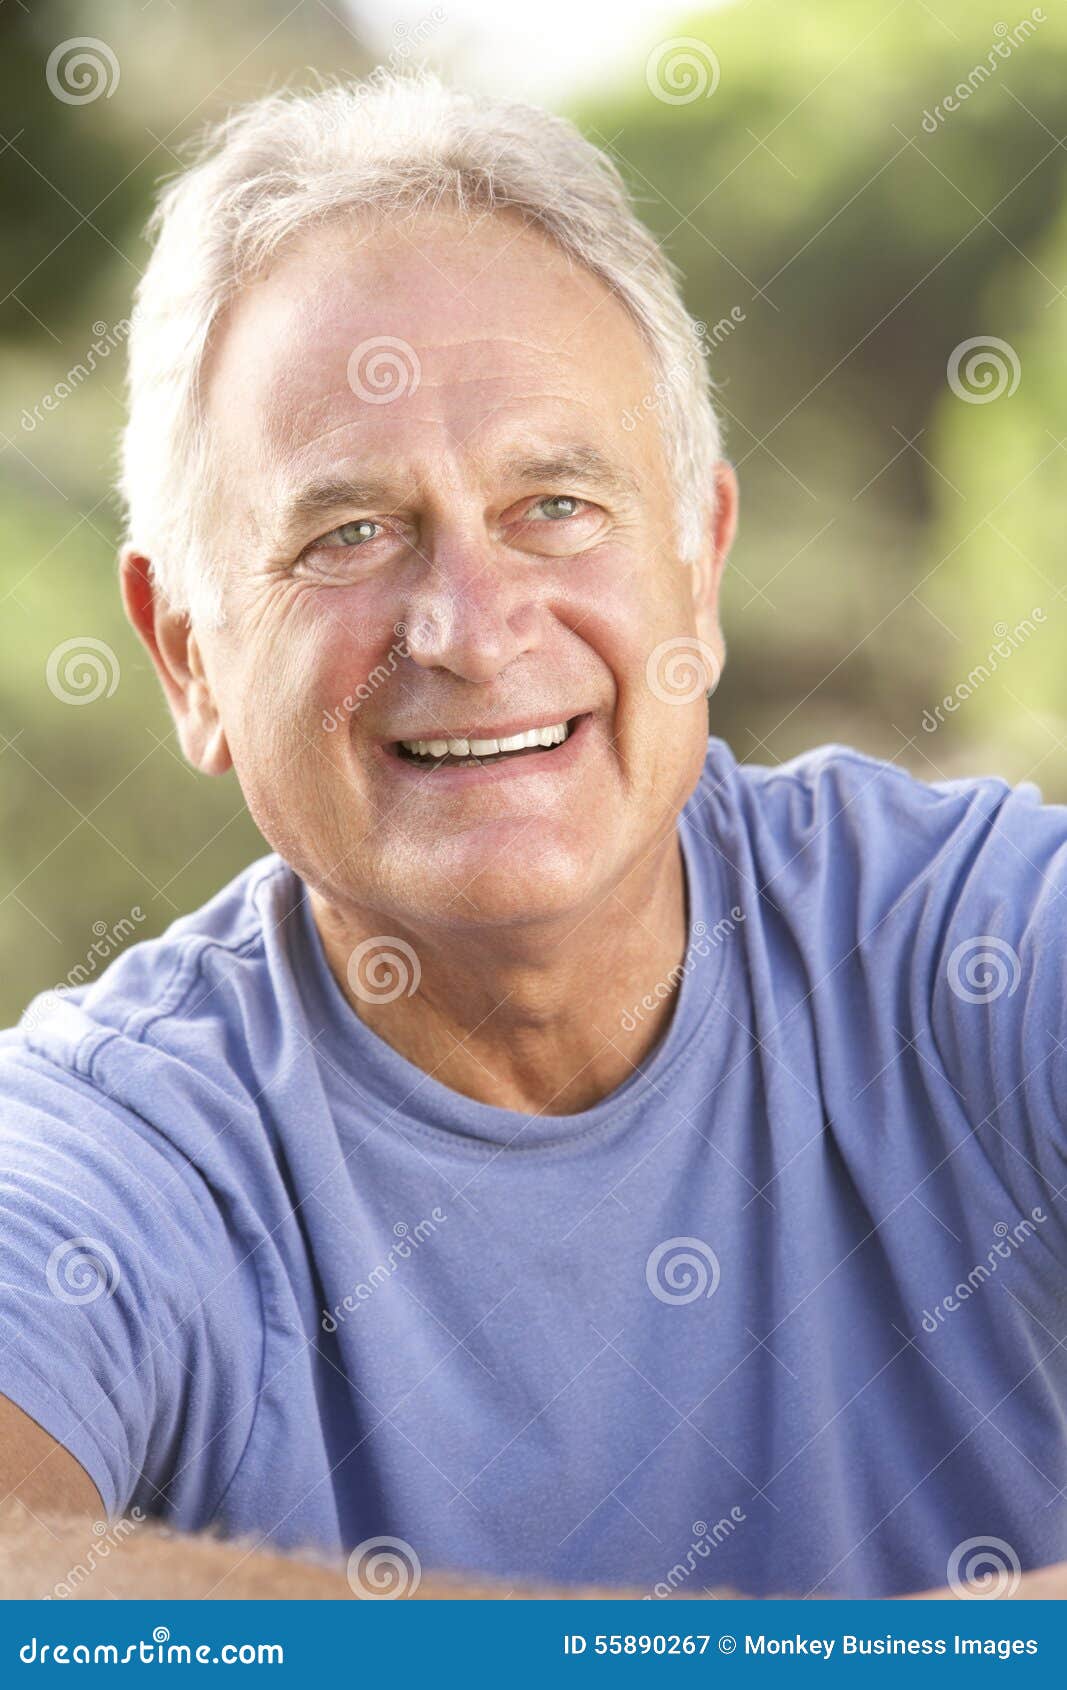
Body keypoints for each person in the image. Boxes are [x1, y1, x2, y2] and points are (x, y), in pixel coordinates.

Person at [1, 71, 1064, 1603]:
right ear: (185, 652)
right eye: (349, 532)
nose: (471, 627)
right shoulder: (124, 1143)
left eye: (556, 503)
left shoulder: (974, 942)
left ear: (698, 562)